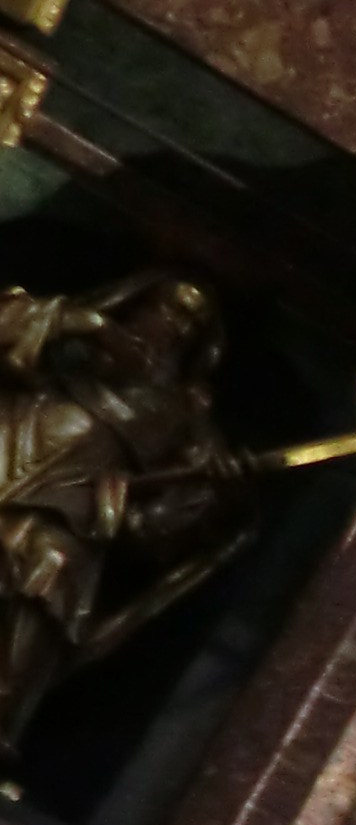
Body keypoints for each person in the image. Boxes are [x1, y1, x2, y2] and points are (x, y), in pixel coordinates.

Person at [0, 270, 254, 760]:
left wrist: (218, 490)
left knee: (50, 563)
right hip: (8, 448)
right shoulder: (69, 344)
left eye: (190, 324)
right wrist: (81, 323)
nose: (174, 327)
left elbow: (167, 525)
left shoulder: (182, 418)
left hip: (69, 521)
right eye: (168, 308)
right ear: (135, 303)